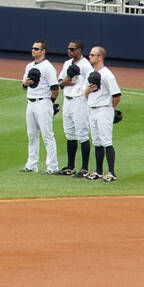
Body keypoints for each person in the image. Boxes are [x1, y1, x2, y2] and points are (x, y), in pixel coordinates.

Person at [19, 40, 60, 174]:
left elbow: (55, 88)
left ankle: (52, 167)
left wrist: (50, 103)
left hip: (43, 102)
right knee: (31, 135)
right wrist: (25, 83)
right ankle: (32, 164)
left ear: (43, 51)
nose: (33, 50)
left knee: (47, 136)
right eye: (33, 48)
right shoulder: (29, 66)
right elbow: (24, 86)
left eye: (36, 49)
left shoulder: (48, 67)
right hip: (30, 103)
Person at [82, 46, 122, 182]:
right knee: (97, 142)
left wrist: (111, 108)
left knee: (106, 141)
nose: (90, 56)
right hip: (92, 110)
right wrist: (88, 90)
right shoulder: (90, 74)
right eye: (90, 54)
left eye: (92, 55)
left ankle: (111, 173)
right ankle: (98, 171)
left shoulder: (107, 75)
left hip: (104, 110)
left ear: (100, 57)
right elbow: (84, 93)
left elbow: (117, 94)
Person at [57, 40, 94, 178]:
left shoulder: (86, 65)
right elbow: (60, 81)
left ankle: (84, 168)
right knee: (69, 134)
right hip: (67, 101)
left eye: (72, 49)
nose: (69, 51)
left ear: (79, 50)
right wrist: (63, 83)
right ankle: (70, 166)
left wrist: (85, 94)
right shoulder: (67, 63)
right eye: (68, 49)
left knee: (82, 134)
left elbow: (92, 81)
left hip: (80, 102)